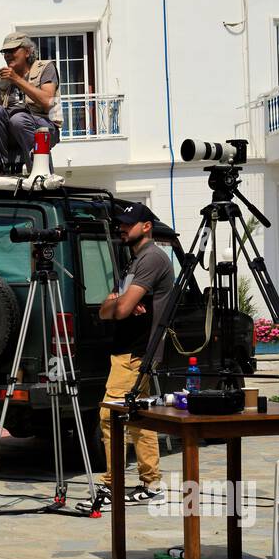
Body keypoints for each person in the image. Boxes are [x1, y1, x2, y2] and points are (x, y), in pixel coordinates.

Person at [90, 202, 175, 509]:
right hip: (128, 350)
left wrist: (120, 305)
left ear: (146, 226)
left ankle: (112, 486)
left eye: (128, 223)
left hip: (137, 352)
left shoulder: (151, 258)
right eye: (121, 223)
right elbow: (106, 308)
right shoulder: (134, 261)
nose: (122, 227)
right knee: (140, 418)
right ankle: (152, 484)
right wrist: (118, 305)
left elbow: (121, 308)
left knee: (109, 415)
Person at [0, 32, 62, 172]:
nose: (7, 55)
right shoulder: (5, 78)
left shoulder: (45, 68)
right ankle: (0, 167)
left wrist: (17, 80)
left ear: (27, 51)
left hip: (45, 127)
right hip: (14, 128)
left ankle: (40, 171)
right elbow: (1, 114)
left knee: (18, 120)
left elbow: (48, 101)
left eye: (12, 50)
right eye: (5, 52)